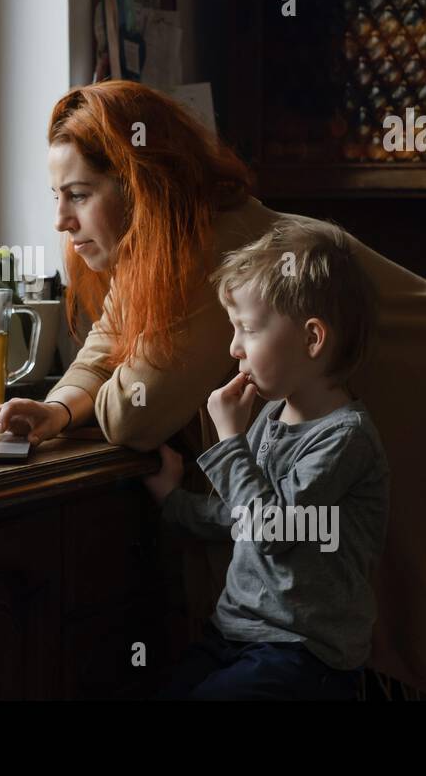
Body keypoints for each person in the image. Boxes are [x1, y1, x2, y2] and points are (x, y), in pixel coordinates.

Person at [0, 80, 426, 700]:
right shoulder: (166, 239)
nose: (59, 219)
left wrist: (96, 398)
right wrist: (56, 408)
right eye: (55, 196)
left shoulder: (207, 247)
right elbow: (112, 339)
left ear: (140, 183)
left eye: (78, 195)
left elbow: (133, 416)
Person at [143, 217, 390, 699]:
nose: (233, 347)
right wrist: (174, 501)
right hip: (234, 634)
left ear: (312, 339)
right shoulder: (272, 417)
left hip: (304, 652)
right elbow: (241, 514)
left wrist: (231, 439)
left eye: (248, 330)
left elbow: (273, 532)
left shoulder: (345, 439)